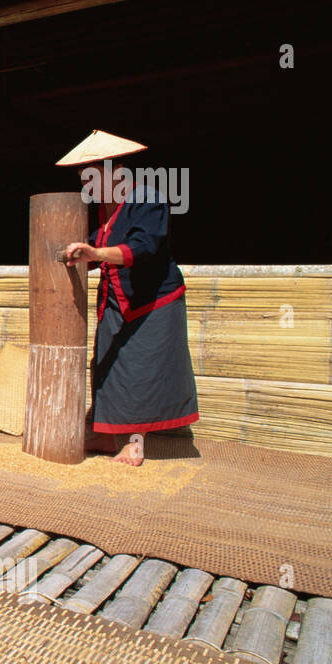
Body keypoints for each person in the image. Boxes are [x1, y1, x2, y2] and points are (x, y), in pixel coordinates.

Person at [59, 130, 198, 467]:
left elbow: (144, 247)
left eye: (91, 178)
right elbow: (98, 247)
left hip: (153, 301)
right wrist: (83, 254)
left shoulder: (147, 197)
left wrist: (95, 251)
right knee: (104, 364)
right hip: (117, 300)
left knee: (141, 369)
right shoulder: (110, 211)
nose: (87, 186)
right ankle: (107, 434)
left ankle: (135, 444)